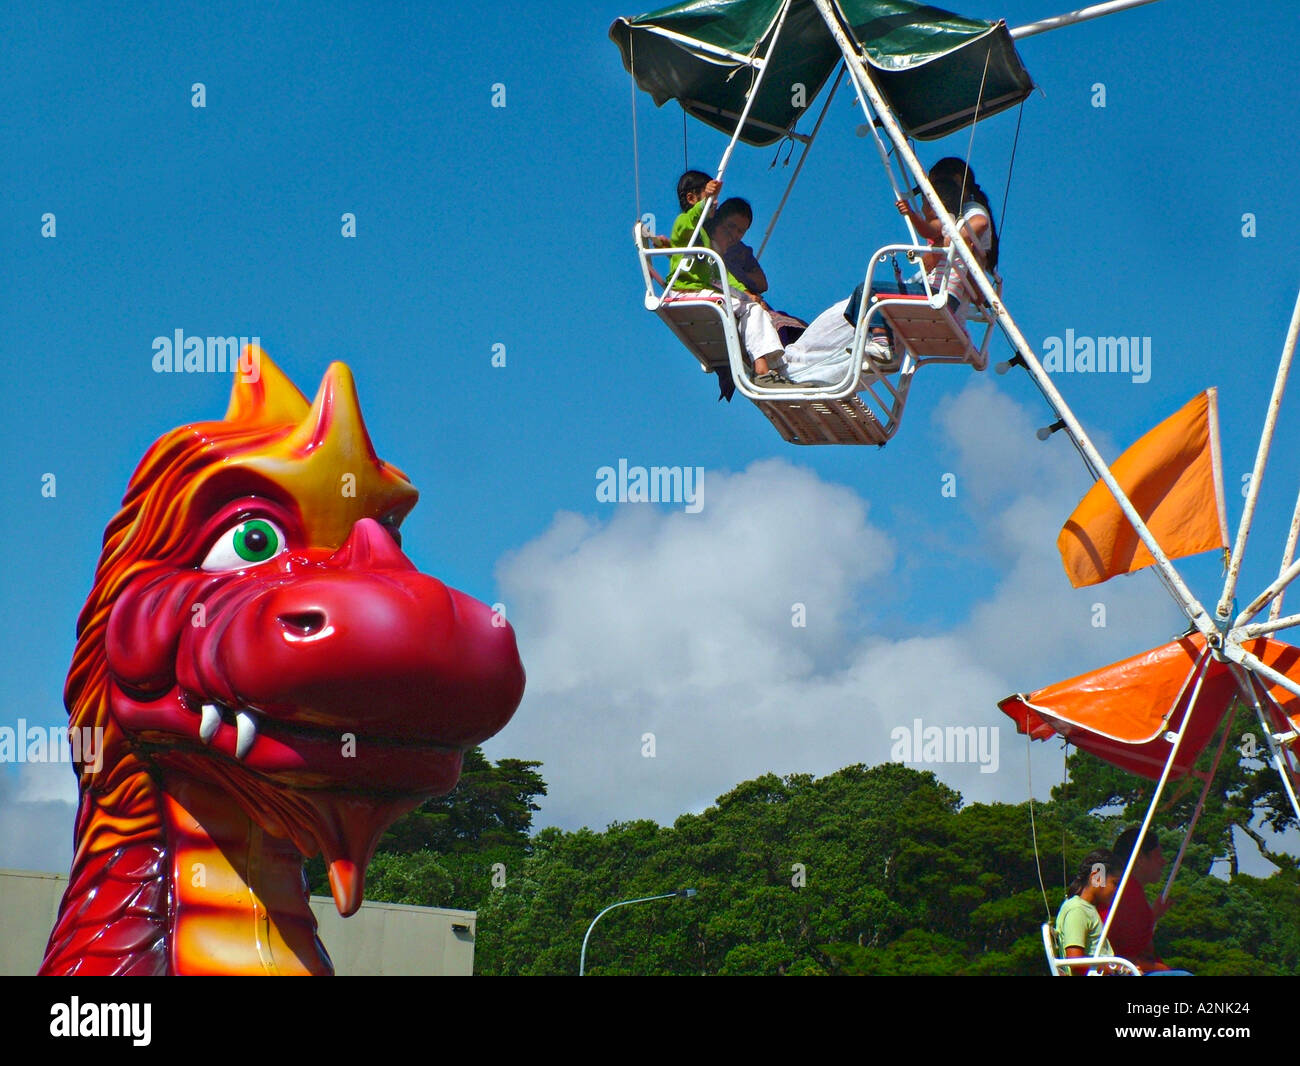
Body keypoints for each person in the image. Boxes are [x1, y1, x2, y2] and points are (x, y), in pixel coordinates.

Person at [782, 175, 973, 385]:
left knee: (868, 291)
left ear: (935, 204)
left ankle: (881, 342)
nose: (923, 210)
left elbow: (930, 230)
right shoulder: (955, 232)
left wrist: (911, 214)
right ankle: (880, 342)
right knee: (869, 294)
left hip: (936, 294)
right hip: (944, 295)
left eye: (925, 204)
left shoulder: (948, 221)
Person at [666, 172, 793, 387]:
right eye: (710, 202)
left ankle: (768, 368)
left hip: (703, 290)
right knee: (748, 308)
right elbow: (691, 220)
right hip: (685, 290)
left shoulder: (706, 241)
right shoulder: (685, 225)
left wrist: (747, 294)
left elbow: (722, 277)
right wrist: (706, 200)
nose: (713, 207)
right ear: (691, 199)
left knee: (752, 306)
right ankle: (762, 371)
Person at [708, 198, 808, 345]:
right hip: (733, 302)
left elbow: (762, 283)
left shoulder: (741, 251)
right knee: (770, 323)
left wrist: (737, 274)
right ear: (719, 222)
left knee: (794, 327)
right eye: (730, 226)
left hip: (752, 301)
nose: (734, 234)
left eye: (740, 231)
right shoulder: (707, 248)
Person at [1106, 828, 1193, 975]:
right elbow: (1125, 954)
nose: (1164, 862)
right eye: (1158, 855)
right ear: (1140, 859)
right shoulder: (1126, 893)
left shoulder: (1131, 891)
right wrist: (1163, 968)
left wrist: (1153, 916)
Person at [1055, 849, 1123, 975]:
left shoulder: (1088, 909)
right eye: (1115, 883)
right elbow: (1075, 962)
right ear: (1097, 877)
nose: (1117, 890)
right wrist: (1116, 970)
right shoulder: (1077, 910)